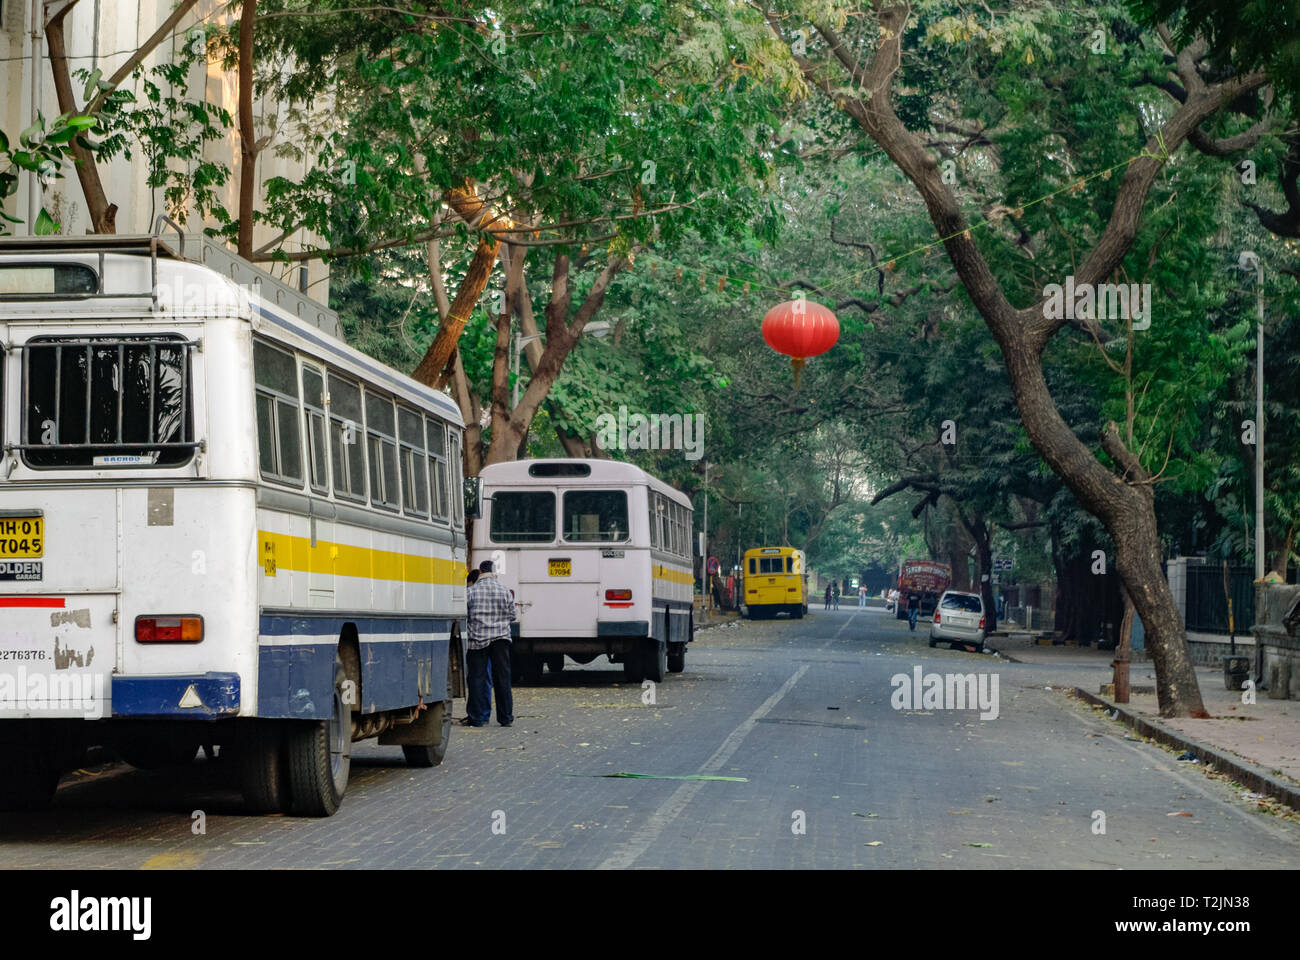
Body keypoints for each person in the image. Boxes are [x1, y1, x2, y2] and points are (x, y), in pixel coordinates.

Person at [464, 559, 515, 727]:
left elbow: (466, 615)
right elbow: (512, 616)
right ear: (494, 572)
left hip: (477, 640)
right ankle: (505, 717)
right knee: (503, 678)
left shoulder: (471, 591)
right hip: (501, 639)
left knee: (477, 678)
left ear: (480, 572)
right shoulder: (505, 590)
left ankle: (477, 718)